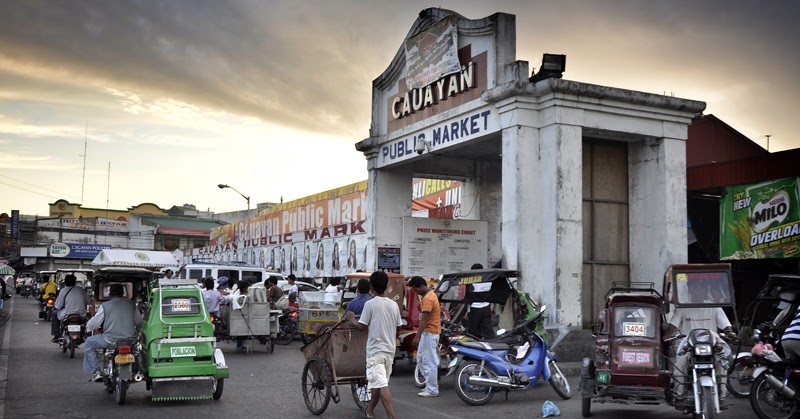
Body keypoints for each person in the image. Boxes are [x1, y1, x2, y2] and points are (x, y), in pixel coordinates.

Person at [345, 271, 402, 419]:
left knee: (381, 385)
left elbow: (362, 326)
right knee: (377, 384)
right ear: (386, 285)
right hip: (390, 350)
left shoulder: (370, 304)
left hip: (375, 351)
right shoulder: (394, 305)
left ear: (372, 286)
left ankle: (392, 417)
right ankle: (369, 411)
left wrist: (351, 319)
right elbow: (398, 327)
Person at [667, 279, 737, 398]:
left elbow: (726, 325)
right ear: (690, 290)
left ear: (705, 290)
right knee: (679, 363)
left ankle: (721, 392)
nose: (698, 290)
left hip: (711, 344)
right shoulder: (683, 307)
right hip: (688, 345)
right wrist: (666, 334)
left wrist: (731, 333)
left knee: (722, 361)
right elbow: (672, 326)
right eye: (695, 287)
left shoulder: (714, 307)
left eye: (701, 288)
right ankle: (679, 394)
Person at [84, 283, 138, 382]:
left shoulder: (105, 306)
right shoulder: (132, 304)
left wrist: (88, 327)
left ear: (109, 294)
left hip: (110, 340)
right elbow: (139, 322)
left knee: (88, 342)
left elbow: (93, 324)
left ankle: (96, 371)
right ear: (123, 293)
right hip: (131, 340)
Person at [409, 275, 441, 397]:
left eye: (416, 290)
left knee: (428, 361)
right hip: (428, 333)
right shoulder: (429, 296)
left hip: (430, 333)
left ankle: (432, 389)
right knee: (422, 359)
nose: (416, 292)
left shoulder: (428, 298)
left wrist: (417, 337)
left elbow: (424, 319)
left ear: (422, 286)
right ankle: (430, 385)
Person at [51, 274, 89, 342]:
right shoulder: (81, 290)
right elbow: (88, 302)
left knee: (54, 314)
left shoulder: (63, 291)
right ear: (74, 282)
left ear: (65, 282)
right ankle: (85, 333)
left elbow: (58, 305)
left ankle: (56, 335)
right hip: (81, 313)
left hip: (67, 313)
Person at [467, 263, 494, 339]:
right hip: (486, 307)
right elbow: (491, 294)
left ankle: (475, 342)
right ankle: (492, 342)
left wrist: (468, 311)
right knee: (488, 328)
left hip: (475, 308)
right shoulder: (488, 280)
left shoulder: (471, 281)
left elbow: (469, 297)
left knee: (473, 329)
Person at [226, 280, 250, 351]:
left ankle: (241, 345)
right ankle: (239, 345)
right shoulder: (238, 295)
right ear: (244, 288)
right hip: (239, 314)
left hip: (247, 314)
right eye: (247, 288)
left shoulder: (245, 294)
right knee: (240, 330)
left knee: (242, 329)